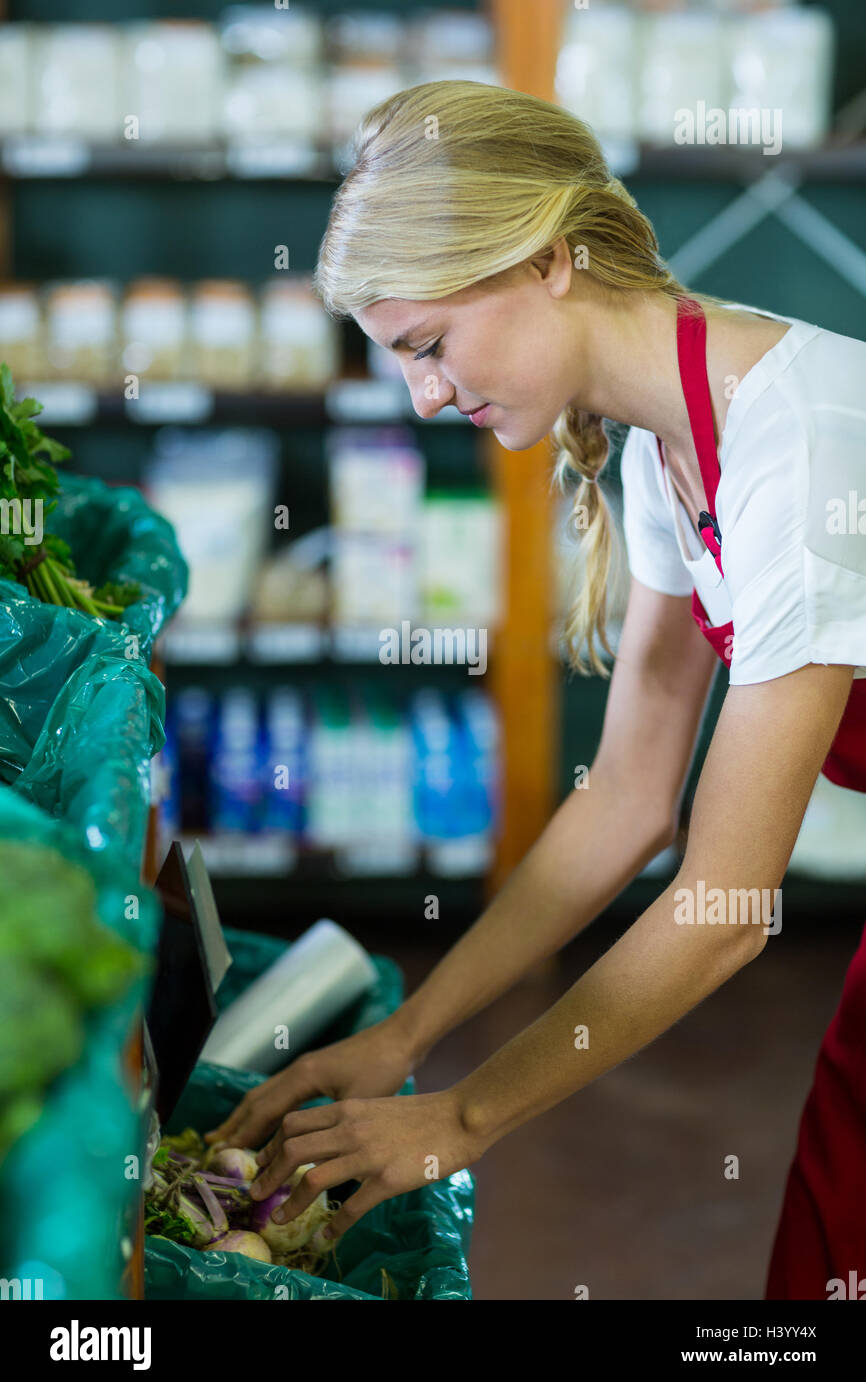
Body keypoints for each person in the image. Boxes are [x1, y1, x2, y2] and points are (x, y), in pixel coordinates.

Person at [206, 81, 866, 1298]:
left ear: (548, 261)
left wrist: (460, 1121)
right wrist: (406, 1040)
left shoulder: (805, 441)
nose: (424, 396)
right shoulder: (673, 436)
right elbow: (624, 795)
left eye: (426, 345)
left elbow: (724, 903)